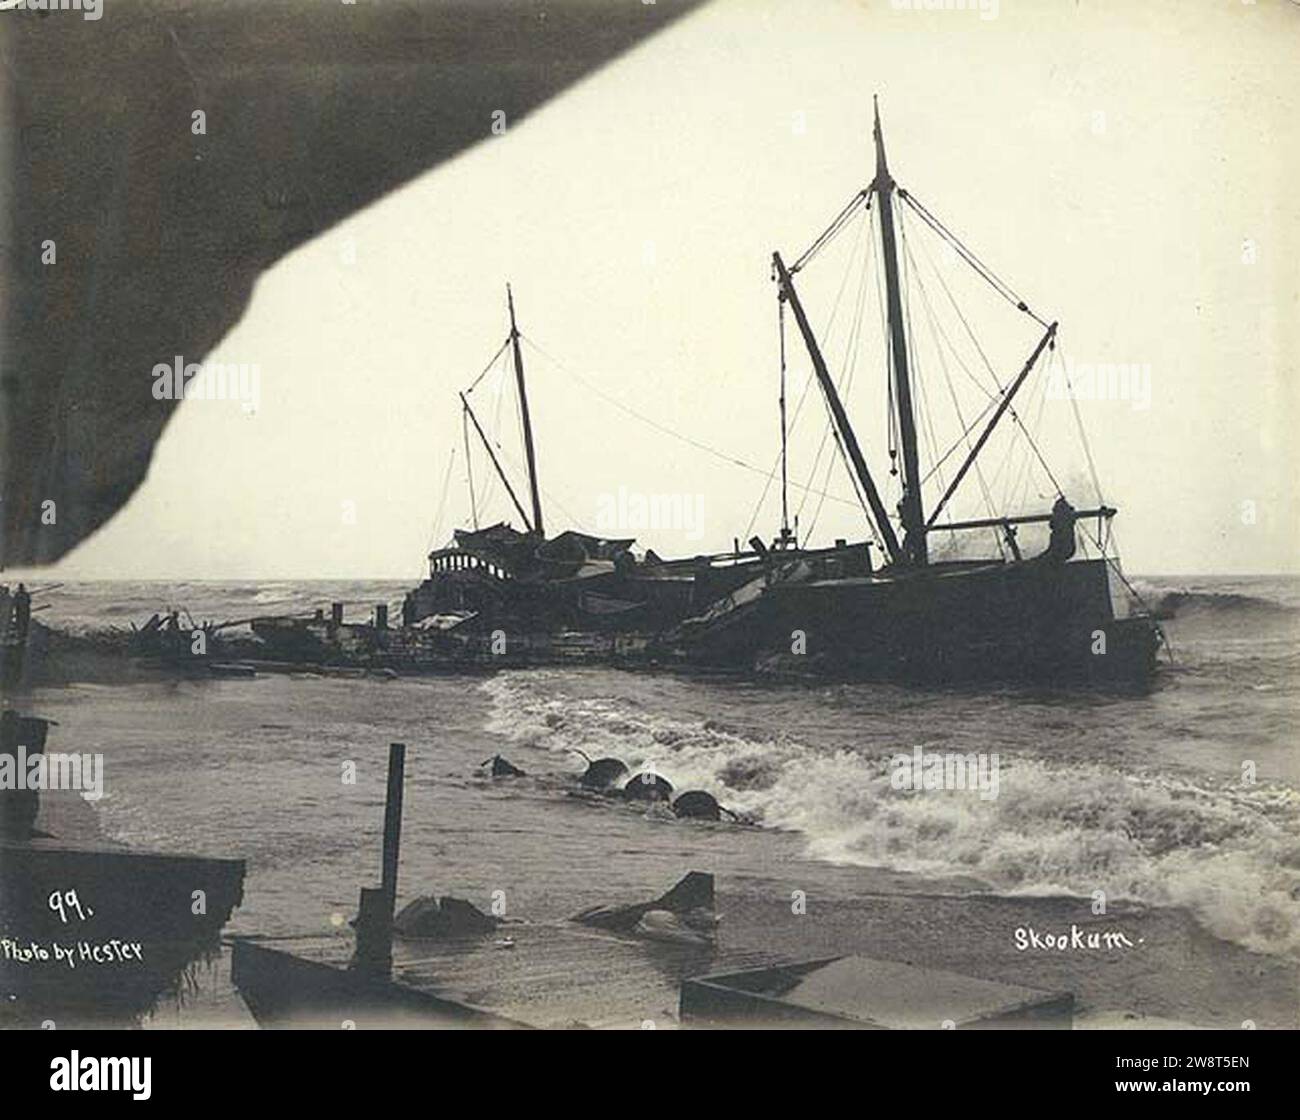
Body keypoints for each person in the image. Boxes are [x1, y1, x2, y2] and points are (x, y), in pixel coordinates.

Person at [1044, 496, 1077, 562]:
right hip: (1057, 553)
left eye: (1055, 512)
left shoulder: (1064, 529)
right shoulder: (1058, 530)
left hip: (1061, 553)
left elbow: (1056, 551)